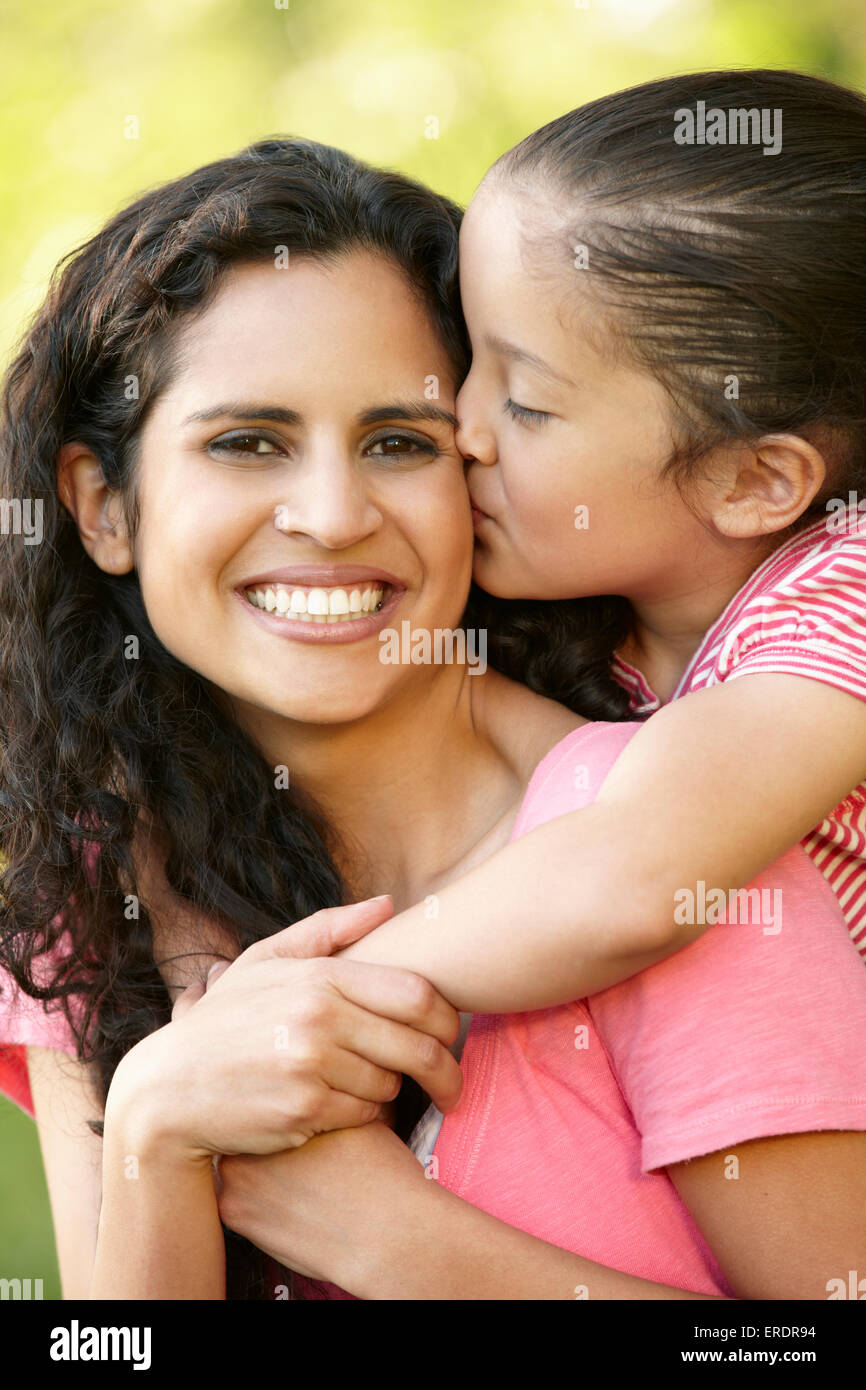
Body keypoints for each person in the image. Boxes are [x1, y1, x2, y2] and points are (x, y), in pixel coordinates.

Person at [1, 135, 864, 1301]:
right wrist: (158, 1129)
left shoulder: (676, 843)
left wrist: (398, 1247)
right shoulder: (95, 884)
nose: (329, 512)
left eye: (398, 442)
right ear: (104, 507)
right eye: (247, 441)